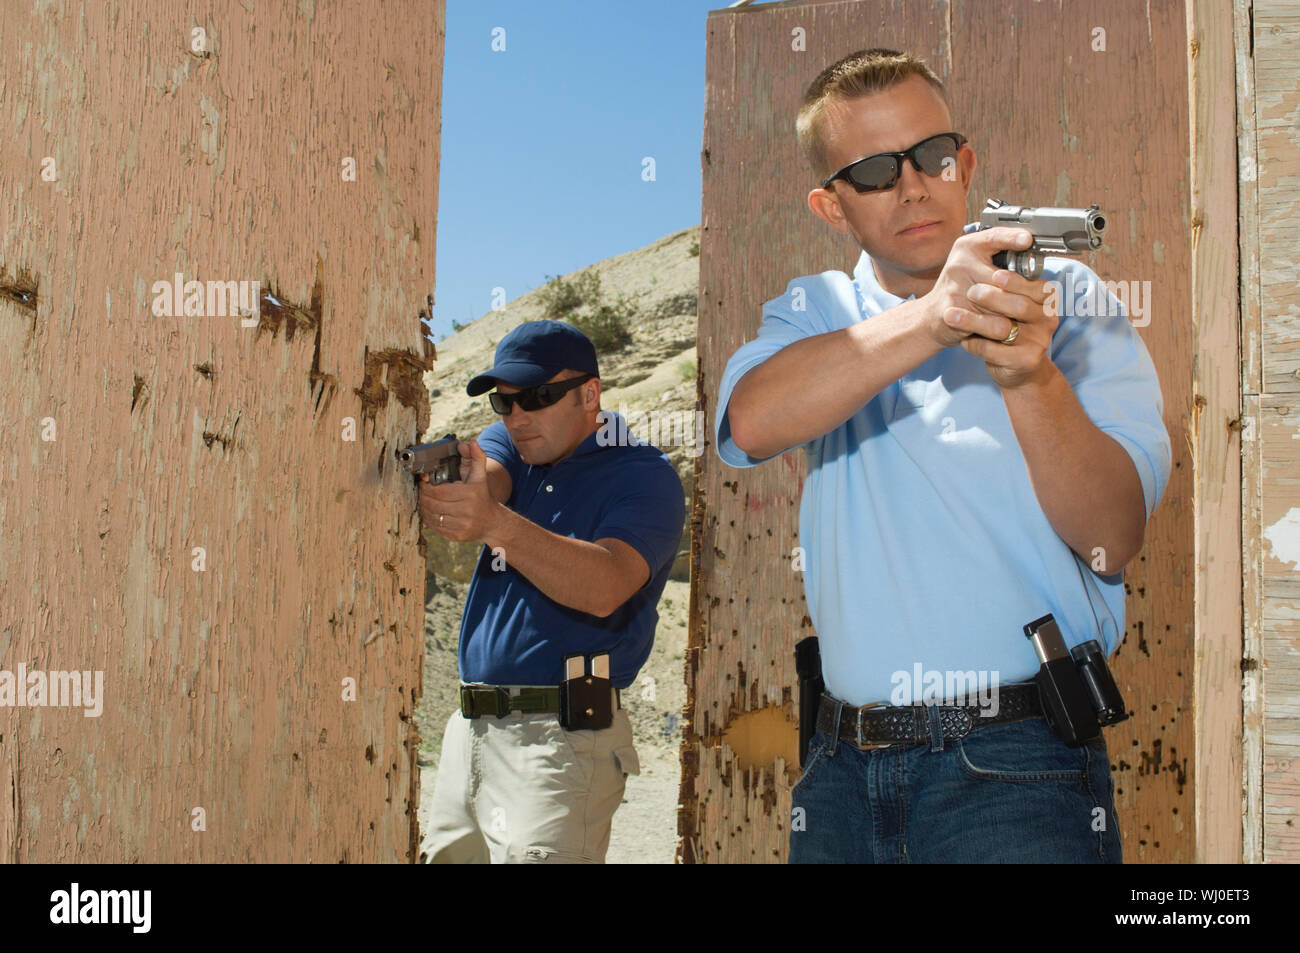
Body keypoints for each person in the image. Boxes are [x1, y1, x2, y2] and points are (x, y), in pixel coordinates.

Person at [715, 49, 1171, 863]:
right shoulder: (813, 310)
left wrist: (1031, 375)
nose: (914, 185)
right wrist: (933, 319)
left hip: (1015, 765)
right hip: (839, 770)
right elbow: (750, 424)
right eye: (876, 169)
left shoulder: (1065, 298)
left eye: (930, 156)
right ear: (831, 206)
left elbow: (1112, 535)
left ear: (964, 164)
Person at [420, 319, 686, 863]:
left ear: (590, 394)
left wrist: (495, 523)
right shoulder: (520, 447)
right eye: (505, 402)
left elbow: (607, 584)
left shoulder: (645, 475)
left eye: (538, 397)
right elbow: (488, 473)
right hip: (469, 728)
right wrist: (468, 487)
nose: (517, 417)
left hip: (559, 740)